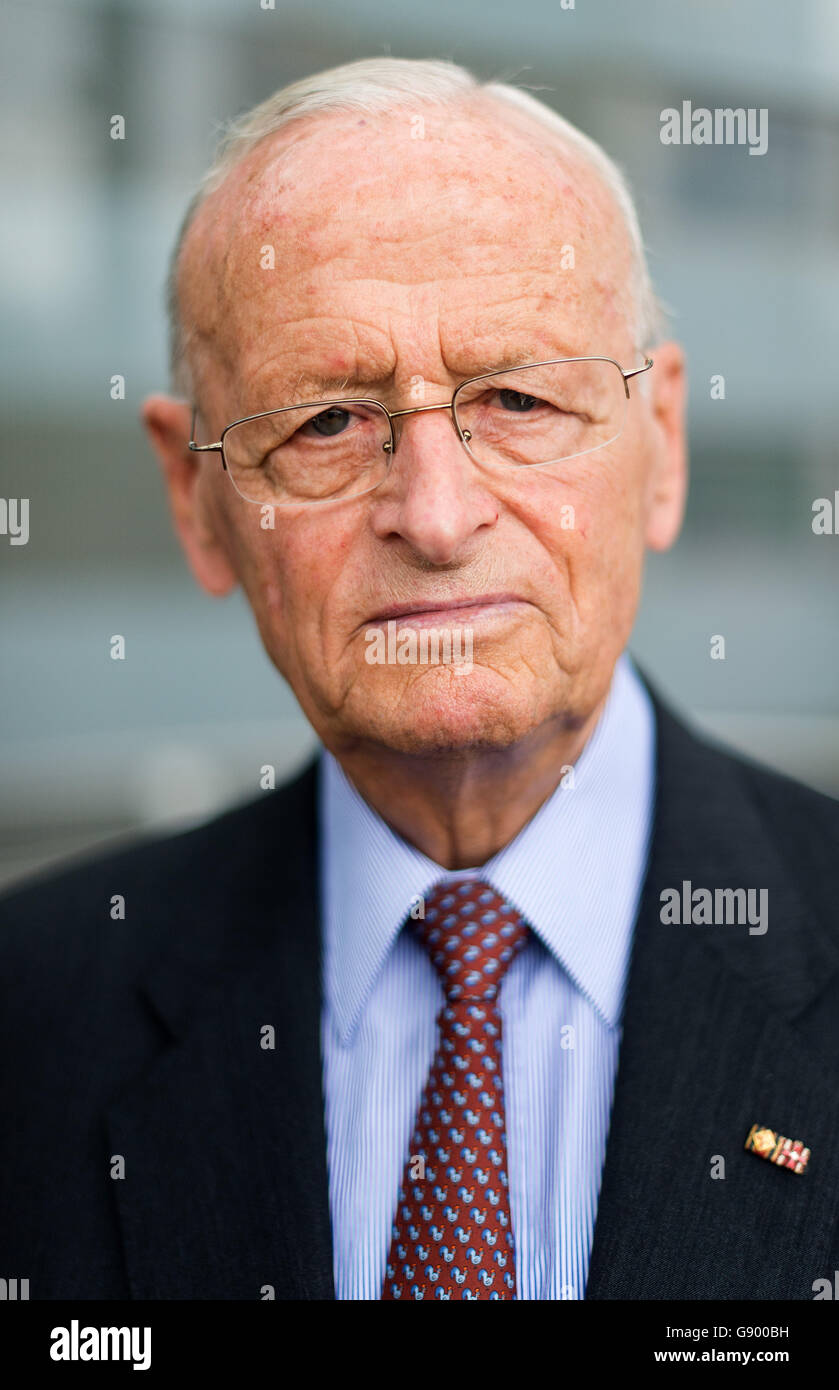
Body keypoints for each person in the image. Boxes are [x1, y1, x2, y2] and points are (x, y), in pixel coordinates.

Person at [2, 57, 837, 1302]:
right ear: (198, 500)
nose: (436, 516)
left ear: (659, 448)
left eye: (514, 396)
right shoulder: (30, 1011)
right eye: (327, 424)